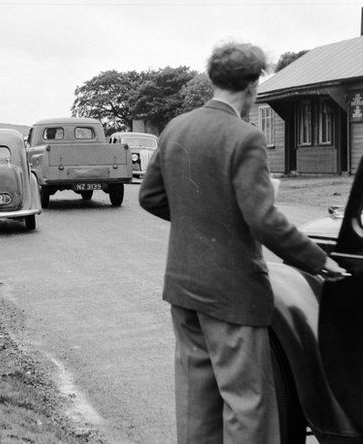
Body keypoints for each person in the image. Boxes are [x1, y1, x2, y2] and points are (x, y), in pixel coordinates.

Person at [138, 40, 348, 443]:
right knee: (246, 402)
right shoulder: (245, 137)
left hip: (183, 287)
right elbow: (263, 220)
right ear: (252, 86)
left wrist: (200, 218)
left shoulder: (176, 127)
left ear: (214, 79)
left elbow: (151, 197)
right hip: (232, 292)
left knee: (195, 399)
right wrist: (319, 261)